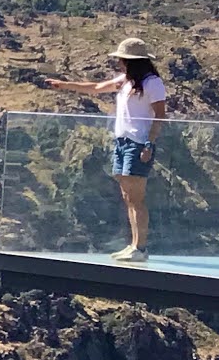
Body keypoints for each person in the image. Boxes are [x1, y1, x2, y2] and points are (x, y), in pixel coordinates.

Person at [44, 37, 168, 263]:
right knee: (128, 197)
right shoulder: (126, 81)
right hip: (122, 142)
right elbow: (96, 88)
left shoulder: (152, 83)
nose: (119, 63)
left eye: (122, 59)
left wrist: (150, 143)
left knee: (136, 198)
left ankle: (140, 248)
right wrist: (64, 85)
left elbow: (160, 115)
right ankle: (134, 245)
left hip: (138, 143)